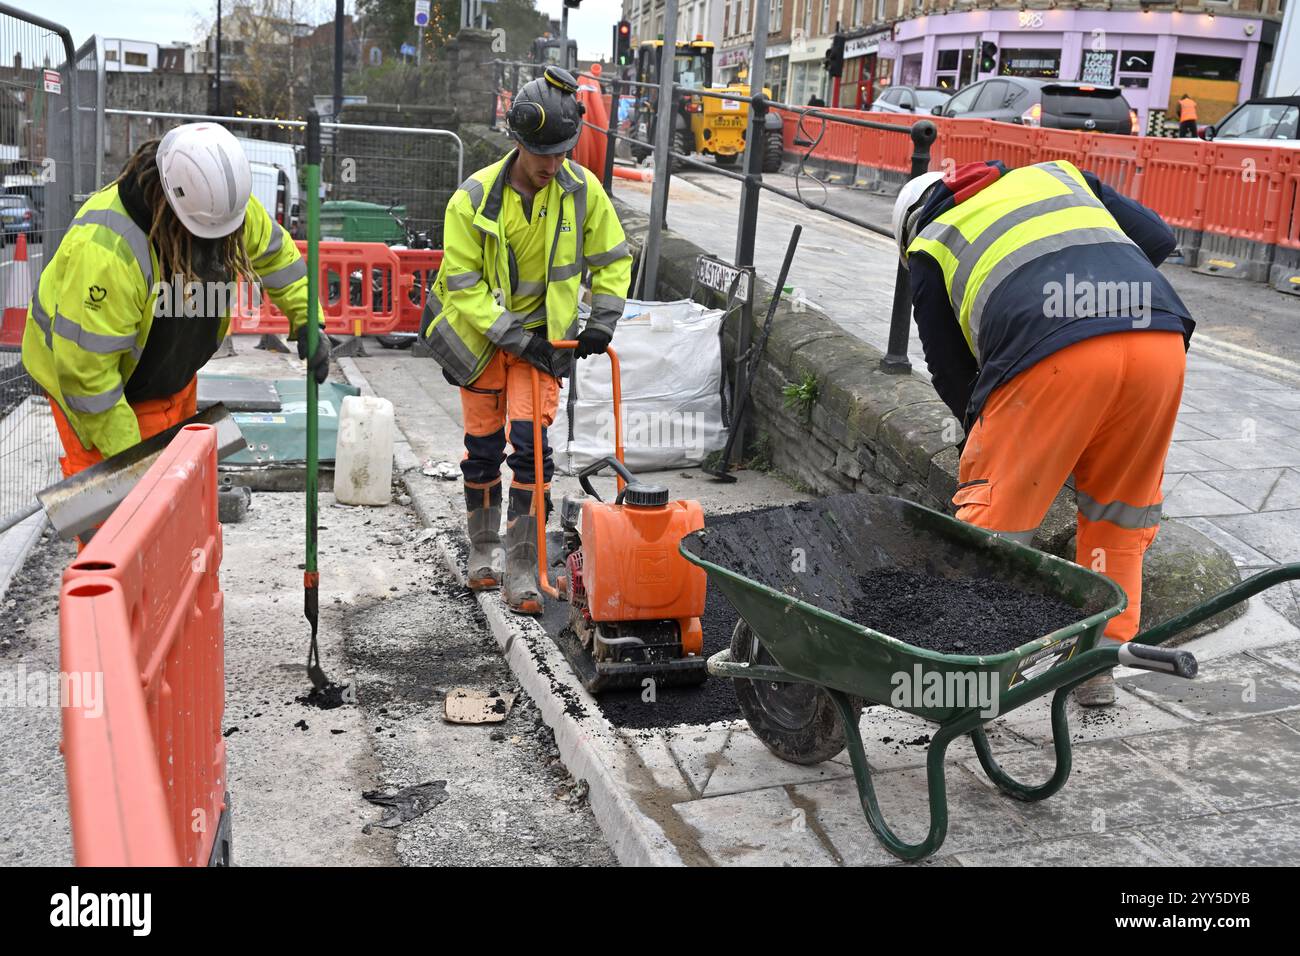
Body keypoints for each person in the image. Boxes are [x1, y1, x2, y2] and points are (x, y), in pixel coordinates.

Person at [892, 159, 1196, 706]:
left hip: (1051, 356)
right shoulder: (1059, 173)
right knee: (1119, 512)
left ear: (910, 222)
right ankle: (1098, 662)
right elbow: (1158, 238)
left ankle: (972, 675)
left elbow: (949, 368)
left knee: (996, 522)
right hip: (1159, 339)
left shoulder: (931, 244)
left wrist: (987, 434)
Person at [423, 67, 632, 615]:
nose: (553, 165)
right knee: (483, 449)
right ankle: (483, 551)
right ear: (518, 143)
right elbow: (464, 288)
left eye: (562, 153)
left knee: (532, 450)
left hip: (543, 344)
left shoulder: (582, 193)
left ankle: (522, 565)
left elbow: (611, 259)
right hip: (485, 341)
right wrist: (517, 339)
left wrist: (603, 320)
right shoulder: (471, 201)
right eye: (543, 155)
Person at [23, 123, 328, 489]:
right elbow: (89, 379)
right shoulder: (107, 253)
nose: (216, 242)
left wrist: (308, 318)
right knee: (115, 513)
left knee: (178, 491)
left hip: (169, 376)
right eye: (204, 233)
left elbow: (279, 258)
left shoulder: (222, 209)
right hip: (99, 395)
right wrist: (133, 467)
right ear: (171, 206)